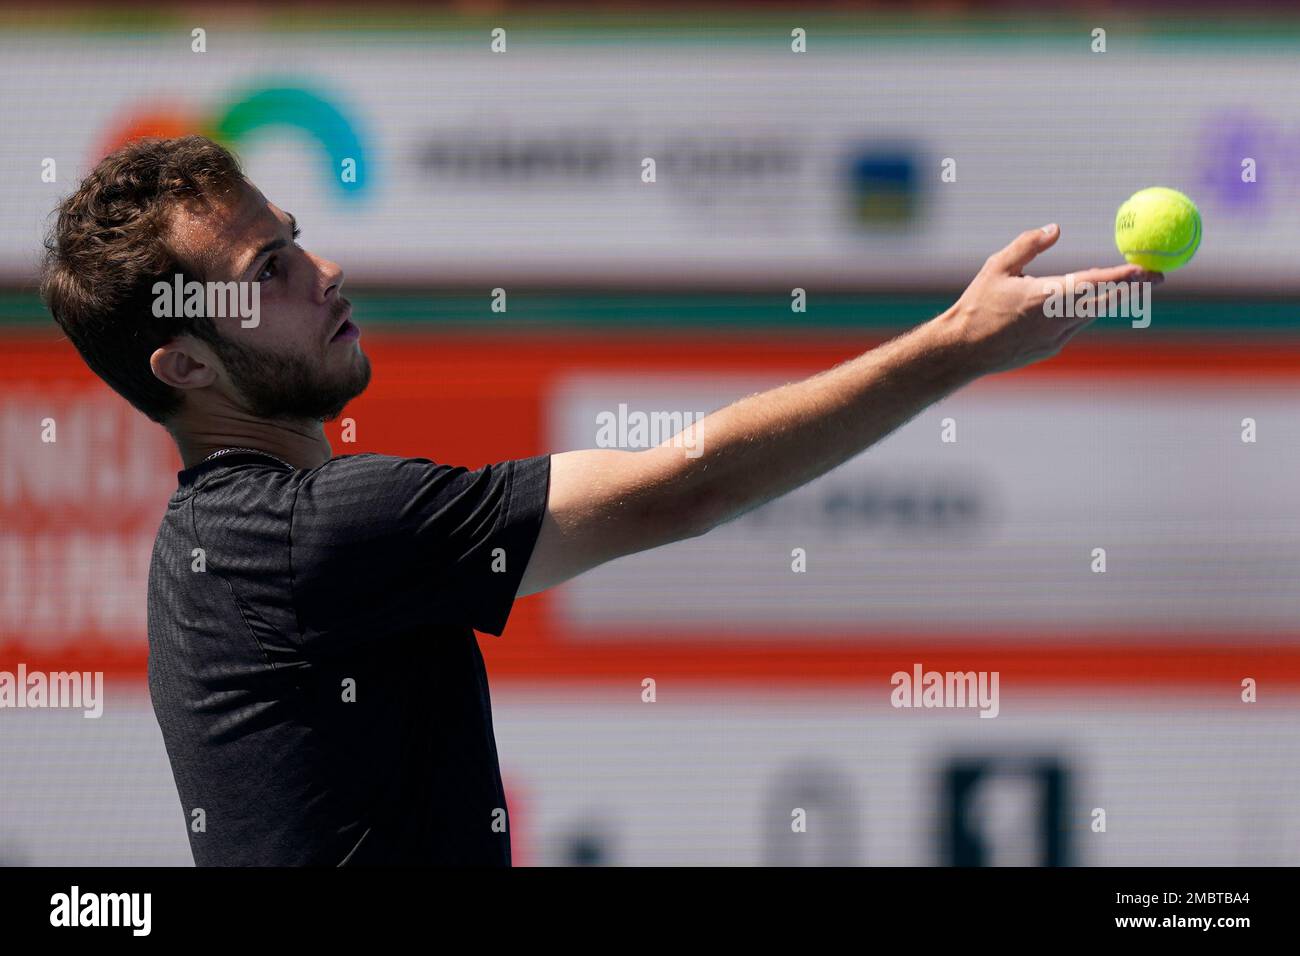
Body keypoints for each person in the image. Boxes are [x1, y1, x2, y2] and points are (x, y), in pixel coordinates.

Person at [40, 135, 1160, 865]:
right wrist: (953, 348)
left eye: (294, 236)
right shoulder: (311, 535)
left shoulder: (220, 540)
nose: (322, 271)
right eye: (266, 272)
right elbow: (686, 485)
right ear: (183, 365)